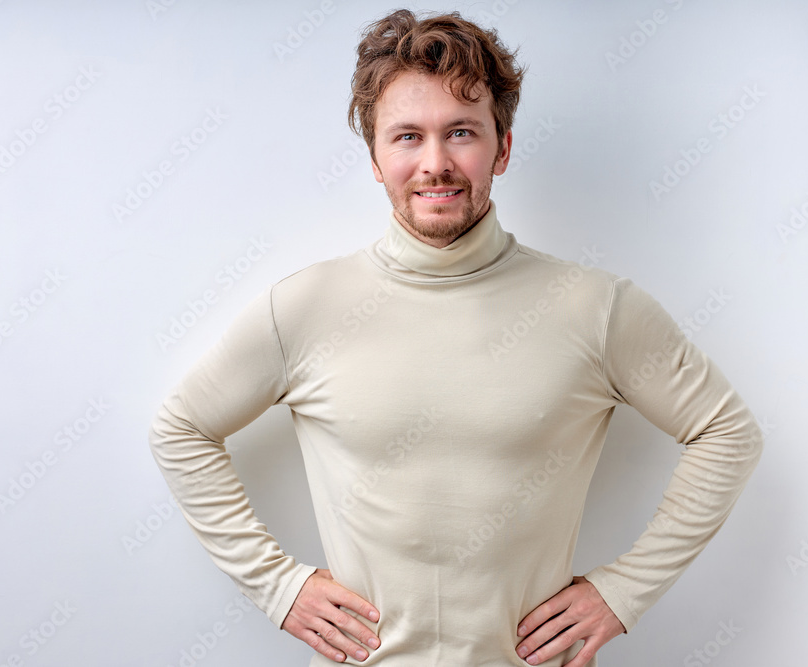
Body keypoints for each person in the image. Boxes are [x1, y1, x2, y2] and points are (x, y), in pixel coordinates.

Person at [148, 9, 763, 667]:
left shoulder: (597, 307)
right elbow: (181, 428)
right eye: (407, 136)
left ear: (502, 147)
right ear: (376, 157)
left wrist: (624, 591)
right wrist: (277, 586)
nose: (435, 164)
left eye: (461, 132)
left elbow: (727, 433)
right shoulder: (304, 307)